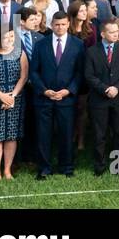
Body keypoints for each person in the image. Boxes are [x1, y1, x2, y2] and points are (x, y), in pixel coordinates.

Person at [30, 11, 85, 179]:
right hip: (44, 98)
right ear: (51, 25)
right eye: (56, 24)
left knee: (67, 133)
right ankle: (44, 168)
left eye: (63, 24)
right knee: (43, 134)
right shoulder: (41, 44)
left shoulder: (78, 44)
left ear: (68, 24)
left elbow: (80, 72)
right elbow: (33, 71)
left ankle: (67, 167)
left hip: (66, 98)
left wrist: (68, 90)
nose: (60, 27)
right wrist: (44, 90)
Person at [85, 18, 119, 176]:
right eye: (111, 32)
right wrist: (105, 89)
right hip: (99, 100)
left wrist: (117, 88)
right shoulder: (92, 51)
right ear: (102, 34)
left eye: (116, 31)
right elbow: (89, 76)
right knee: (100, 134)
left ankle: (117, 166)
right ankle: (99, 166)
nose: (115, 34)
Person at [0, 26, 27, 182]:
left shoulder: (20, 53)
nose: (9, 40)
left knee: (11, 136)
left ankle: (7, 170)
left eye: (12, 37)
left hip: (16, 98)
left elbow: (24, 76)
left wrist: (12, 96)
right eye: (5, 37)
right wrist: (2, 96)